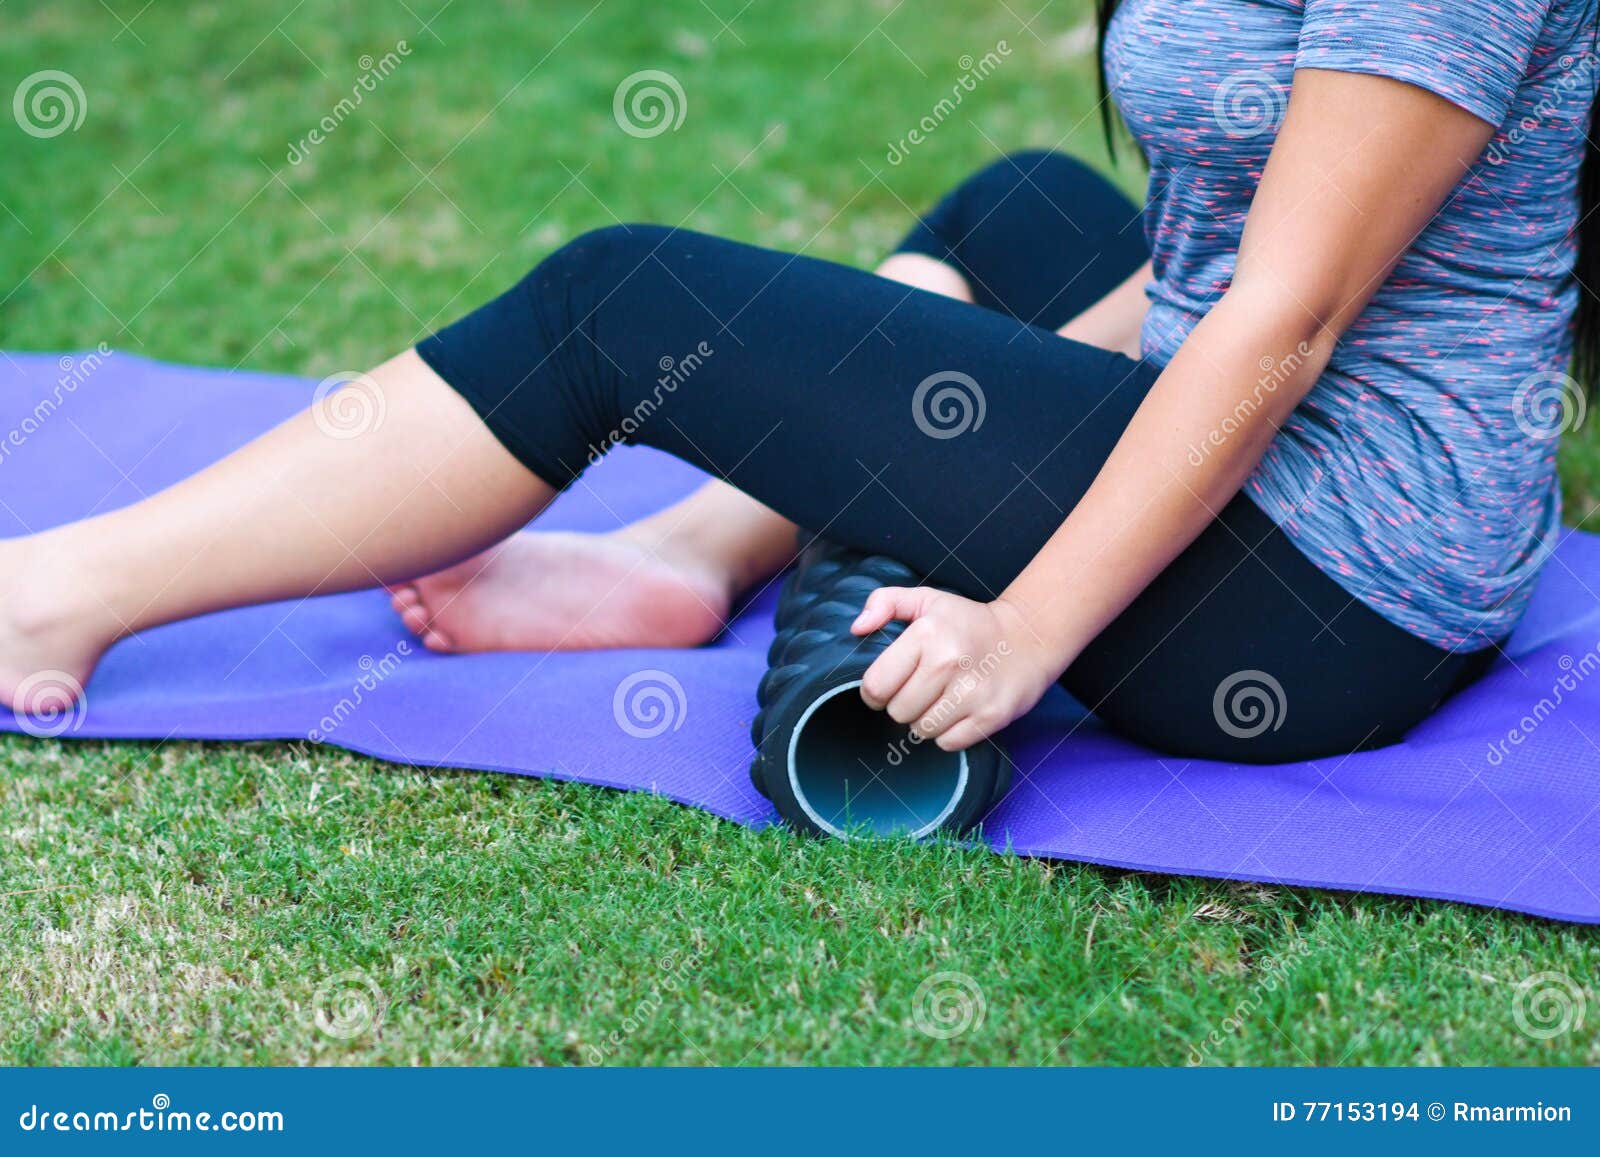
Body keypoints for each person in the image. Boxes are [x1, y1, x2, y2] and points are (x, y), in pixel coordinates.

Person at [5, 0, 1595, 763]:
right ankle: (689, 557)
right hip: (1276, 462)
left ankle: (62, 592)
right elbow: (1217, 249)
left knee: (619, 305)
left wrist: (1024, 624)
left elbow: (1286, 320)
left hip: (1324, 594)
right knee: (1018, 207)